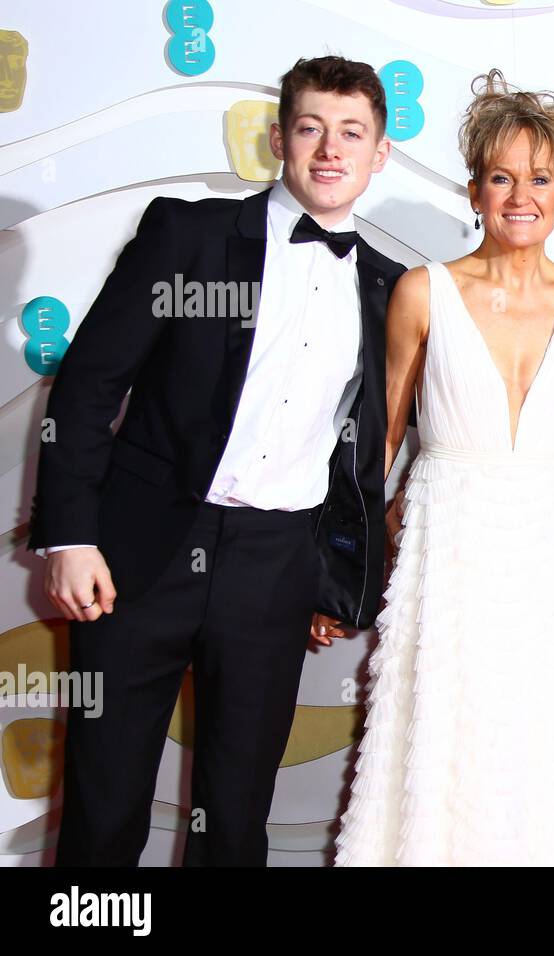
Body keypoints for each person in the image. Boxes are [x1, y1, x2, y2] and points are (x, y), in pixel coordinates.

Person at [31, 55, 404, 865]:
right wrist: (68, 537)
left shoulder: (389, 287)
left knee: (236, 815)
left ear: (380, 155)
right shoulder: (188, 234)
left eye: (352, 133)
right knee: (104, 801)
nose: (330, 149)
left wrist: (334, 580)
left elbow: (364, 457)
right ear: (279, 138)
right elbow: (92, 384)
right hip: (137, 556)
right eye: (311, 128)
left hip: (273, 568)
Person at [334, 70, 554, 866]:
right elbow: (380, 444)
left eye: (539, 178)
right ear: (474, 190)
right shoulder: (424, 293)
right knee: (447, 740)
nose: (519, 195)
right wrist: (345, 562)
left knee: (544, 747)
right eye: (501, 177)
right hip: (451, 547)